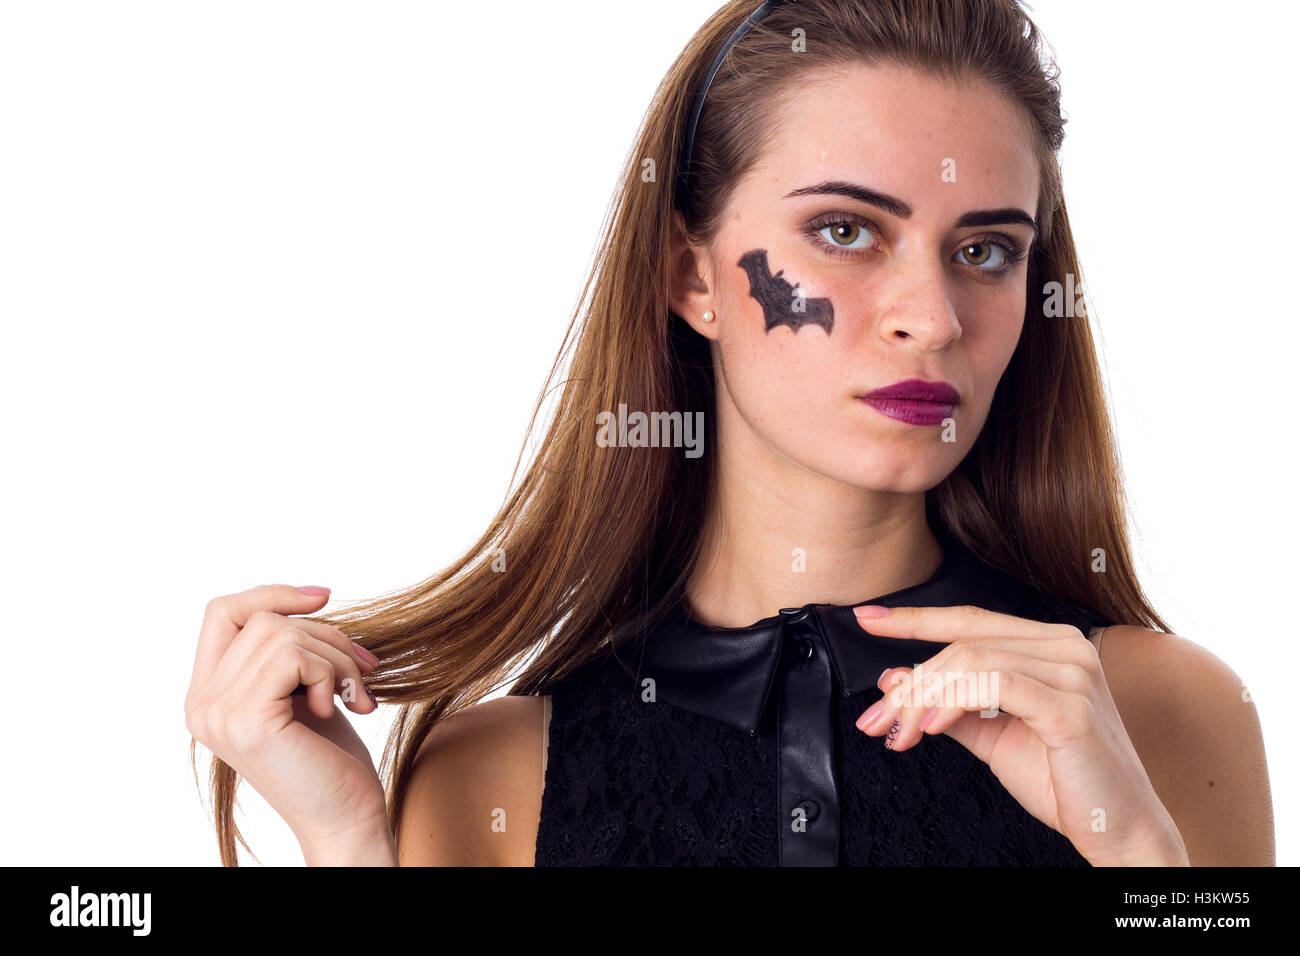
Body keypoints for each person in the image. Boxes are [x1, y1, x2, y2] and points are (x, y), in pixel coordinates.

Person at [185, 0, 1275, 866]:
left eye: (985, 250)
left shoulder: (1162, 709)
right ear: (691, 275)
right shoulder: (497, 770)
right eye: (845, 231)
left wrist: (1135, 852)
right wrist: (343, 843)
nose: (931, 317)